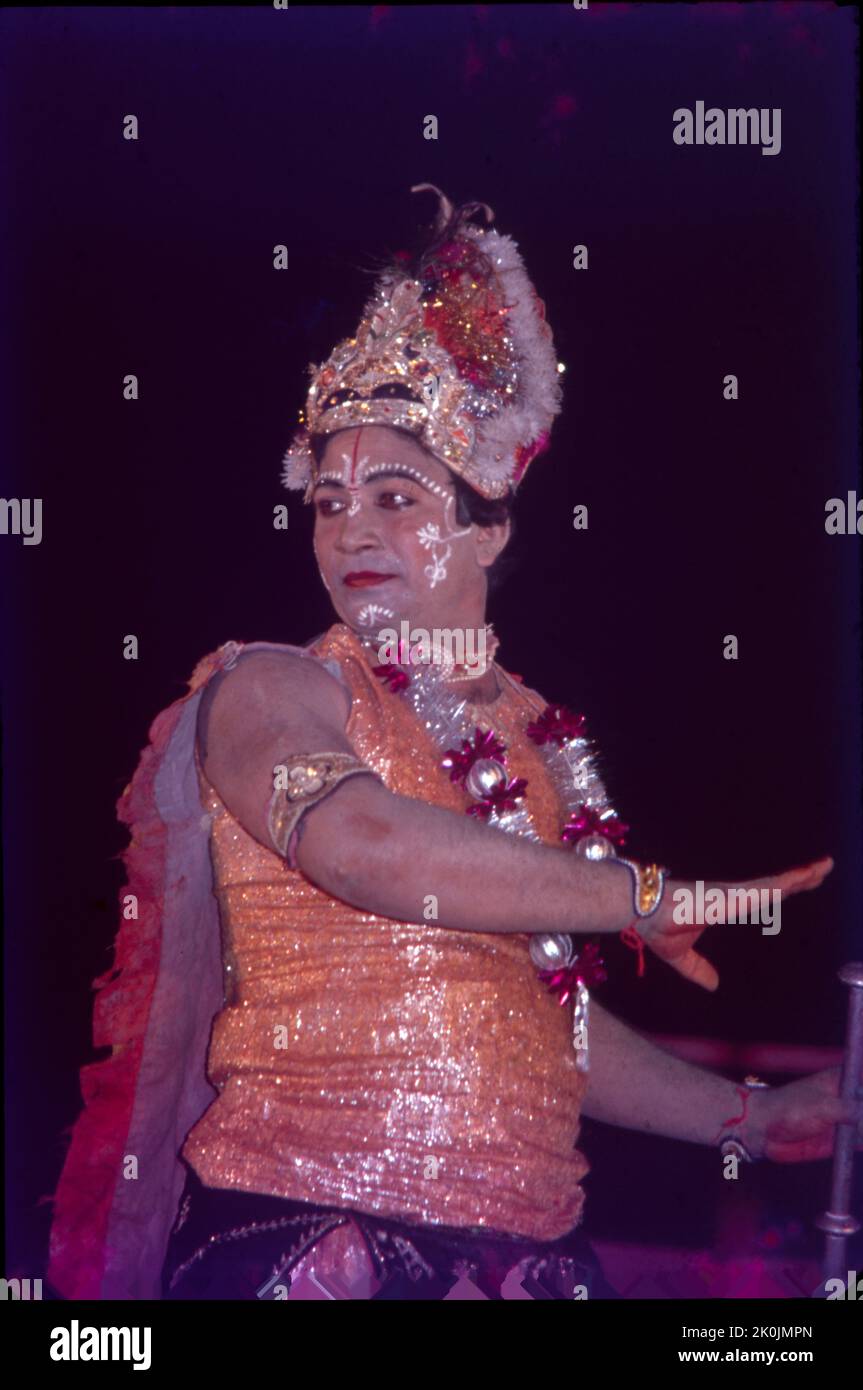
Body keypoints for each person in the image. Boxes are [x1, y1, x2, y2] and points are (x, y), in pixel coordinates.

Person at [47, 184, 857, 1302]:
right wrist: (630, 893)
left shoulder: (531, 743)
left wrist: (752, 1119)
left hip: (523, 1261)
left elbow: (536, 1025)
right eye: (328, 503)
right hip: (313, 1242)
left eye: (393, 495)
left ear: (489, 526)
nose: (351, 529)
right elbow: (362, 846)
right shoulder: (270, 690)